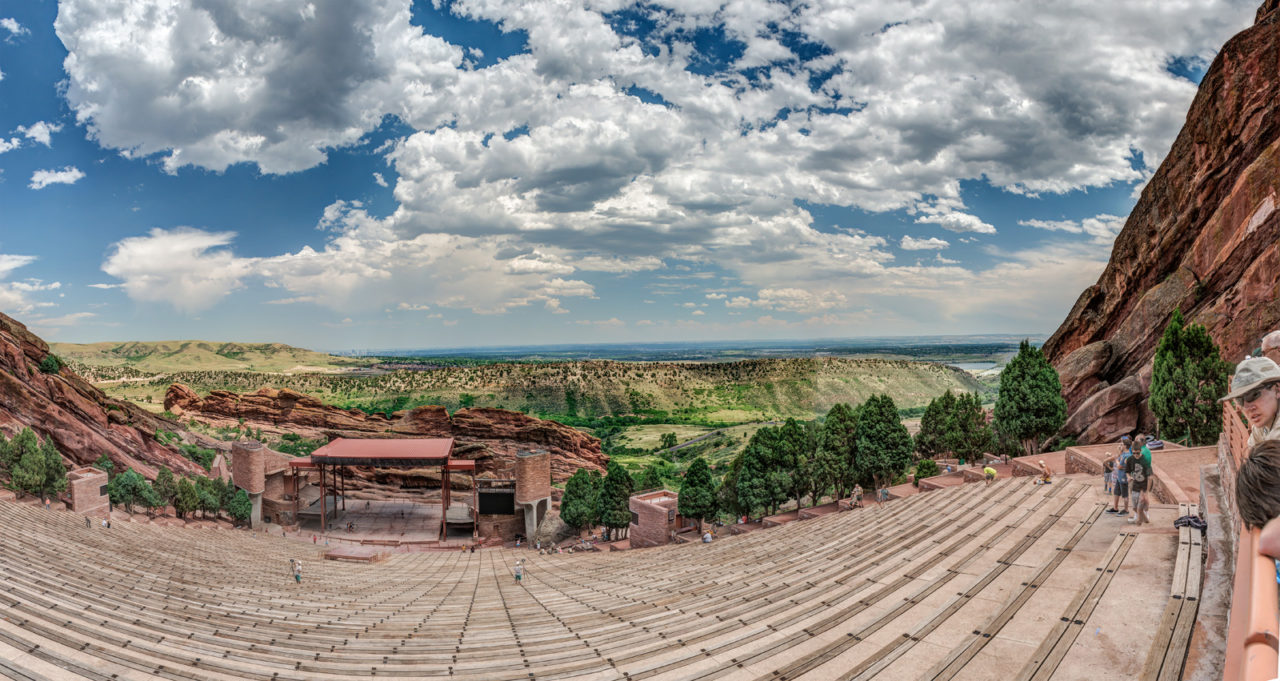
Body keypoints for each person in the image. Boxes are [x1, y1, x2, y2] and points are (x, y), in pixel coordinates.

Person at [1221, 357, 1280, 447]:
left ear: (1277, 389)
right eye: (1239, 400)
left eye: (1253, 395)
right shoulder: (1266, 419)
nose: (1247, 407)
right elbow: (1250, 450)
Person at [1126, 437, 1152, 525]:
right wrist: (1129, 477)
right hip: (1134, 484)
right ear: (1132, 451)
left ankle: (1139, 518)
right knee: (1134, 507)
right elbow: (1127, 471)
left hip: (1143, 485)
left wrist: (1146, 491)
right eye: (1134, 453)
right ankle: (1143, 517)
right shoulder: (1130, 459)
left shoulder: (1145, 460)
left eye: (1138, 453)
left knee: (1142, 502)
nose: (1136, 455)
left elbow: (1150, 477)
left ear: (1140, 450)